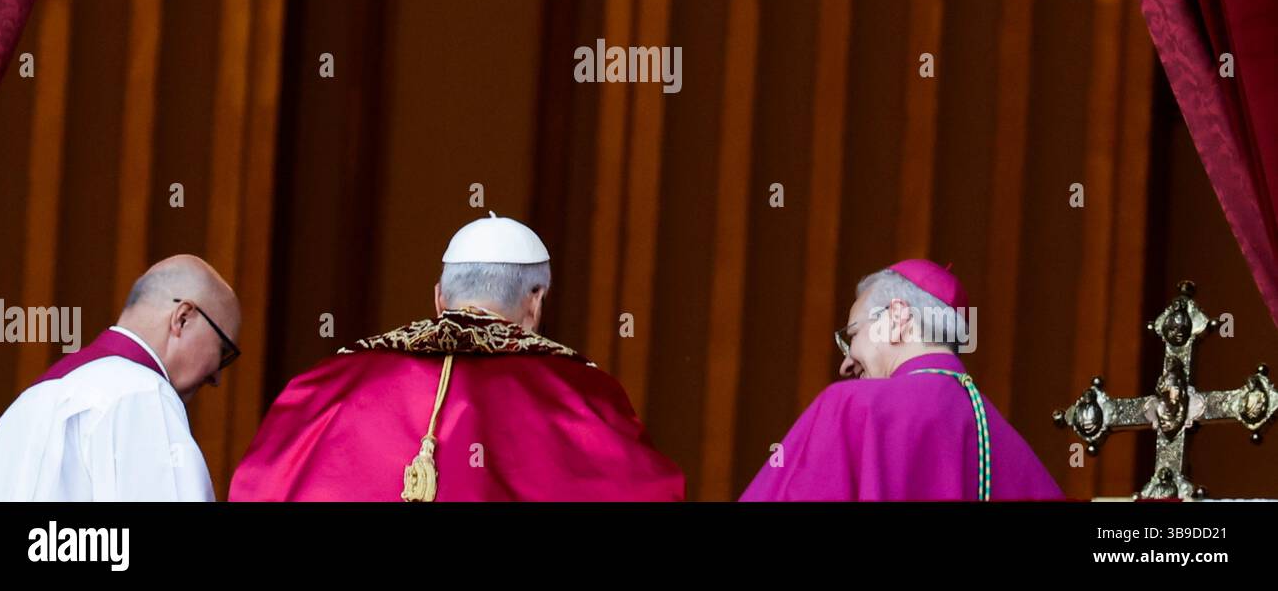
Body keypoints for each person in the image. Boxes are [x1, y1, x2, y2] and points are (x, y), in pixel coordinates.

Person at [231, 212, 683, 501]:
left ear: (438, 297)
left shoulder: (332, 382)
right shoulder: (581, 393)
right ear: (537, 300)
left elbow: (261, 484)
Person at [741, 259, 1063, 501]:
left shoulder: (852, 405)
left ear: (896, 318)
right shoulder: (1003, 441)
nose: (846, 364)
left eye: (851, 335)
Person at [0, 254, 240, 500]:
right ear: (182, 318)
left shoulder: (25, 405)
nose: (216, 377)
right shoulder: (143, 394)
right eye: (223, 351)